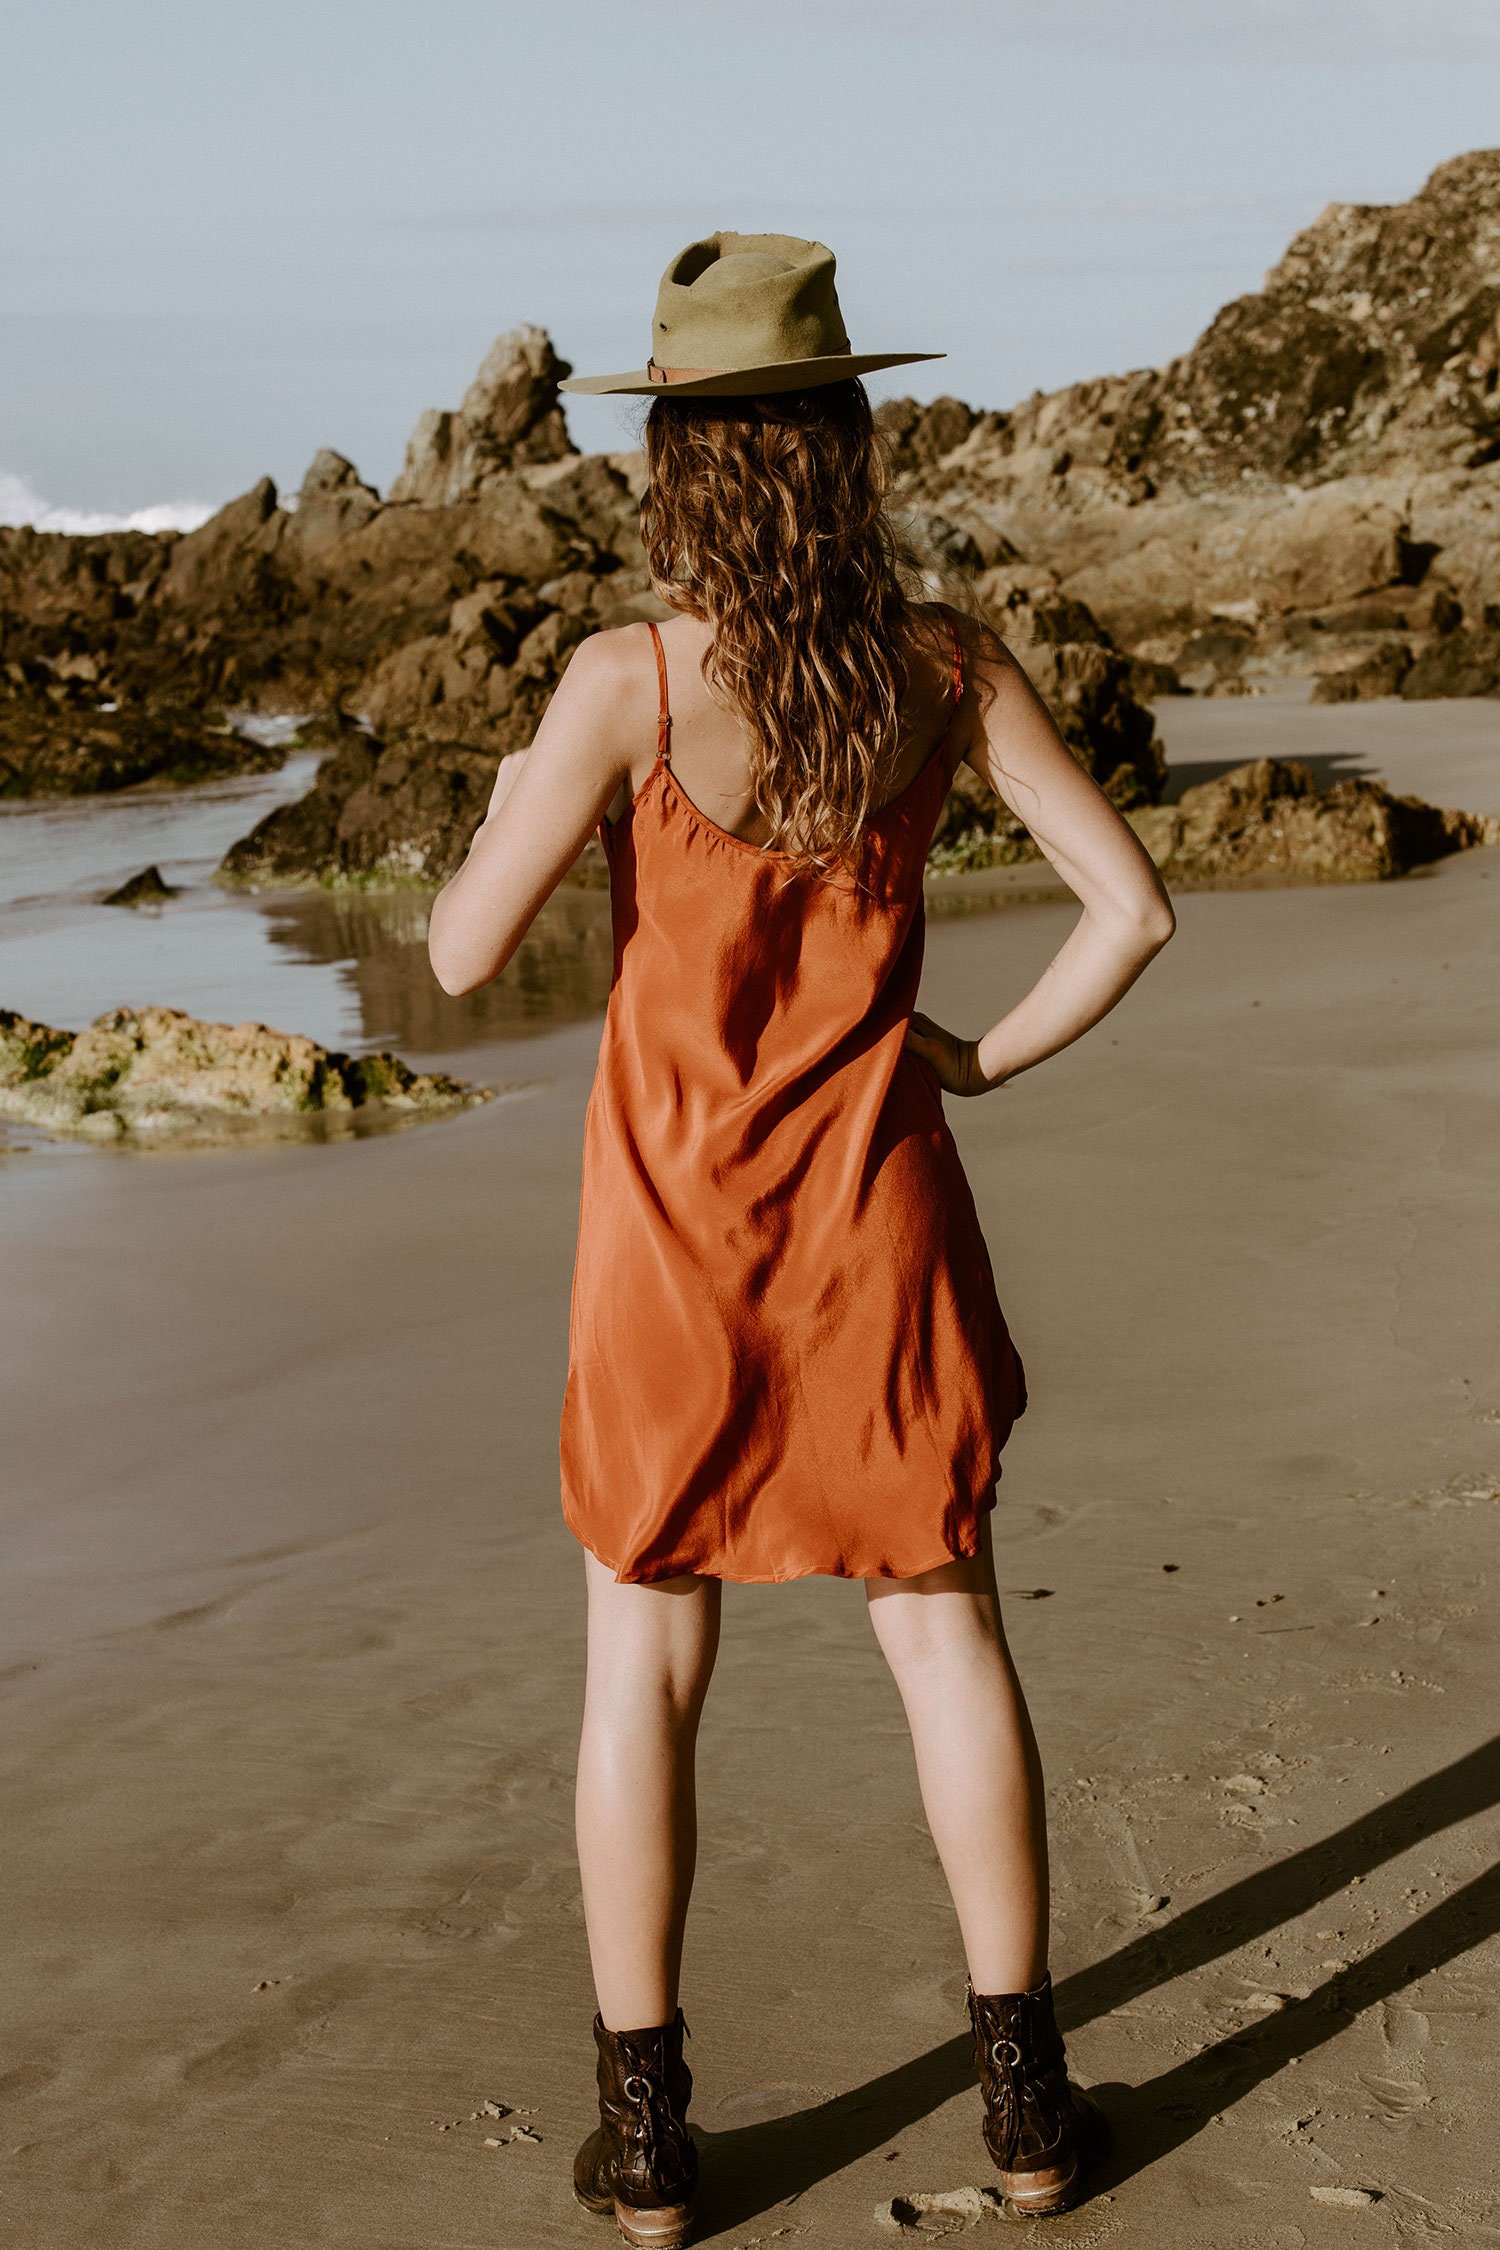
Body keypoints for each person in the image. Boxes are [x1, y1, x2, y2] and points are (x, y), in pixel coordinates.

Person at [428, 232, 1174, 2249]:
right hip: (878, 1220)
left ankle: (650, 2140)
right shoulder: (943, 666)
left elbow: (458, 951)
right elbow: (1134, 910)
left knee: (643, 1674)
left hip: (666, 1250)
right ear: (843, 444)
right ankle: (1027, 2106)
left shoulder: (621, 687)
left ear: (680, 464)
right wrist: (979, 1064)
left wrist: (530, 791)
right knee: (945, 1641)